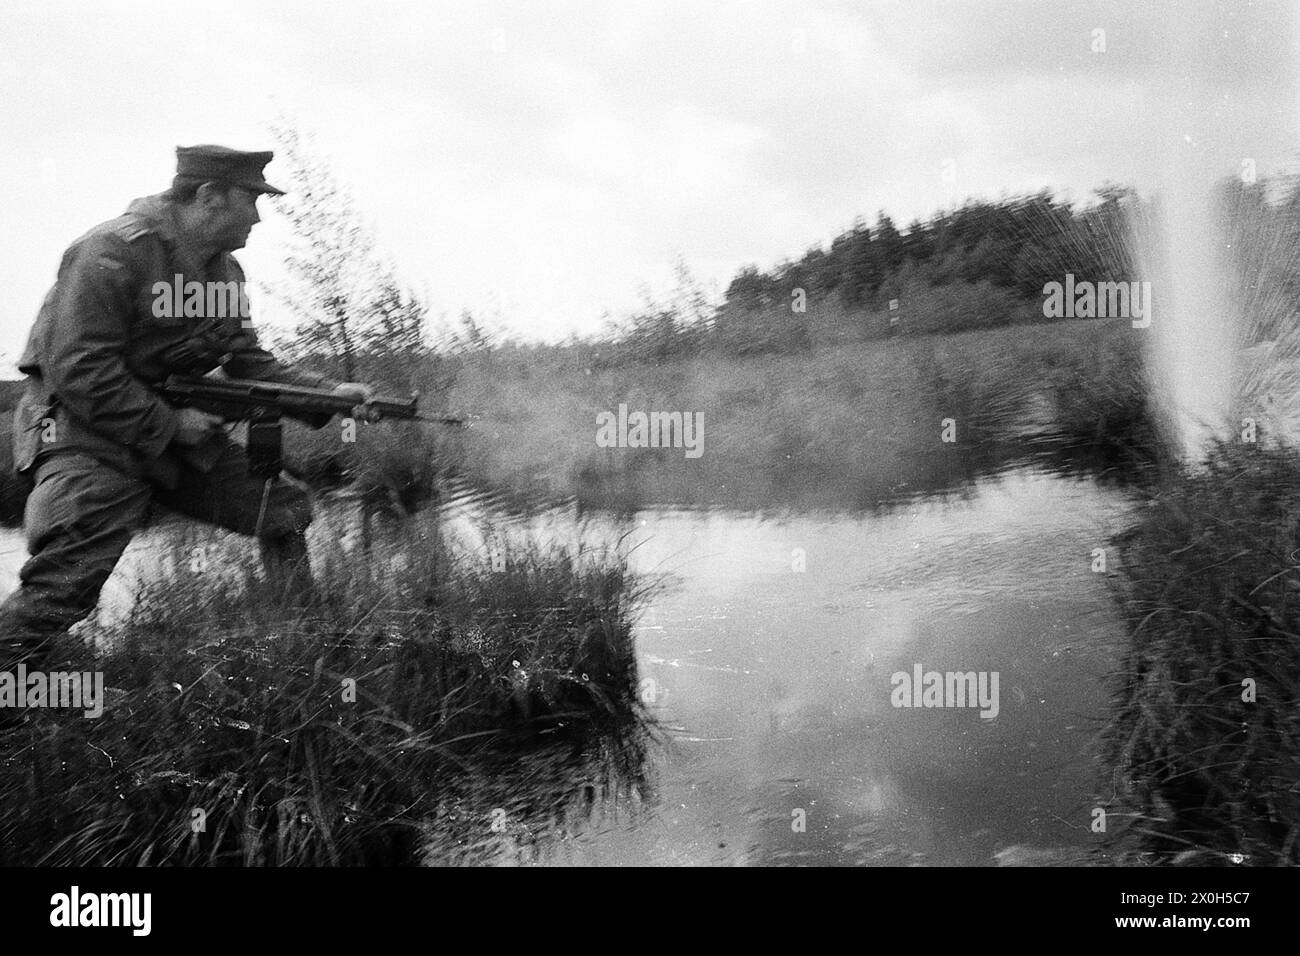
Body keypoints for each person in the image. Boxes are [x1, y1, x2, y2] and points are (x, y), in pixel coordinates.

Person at [0, 144, 374, 672]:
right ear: (208, 196)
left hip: (169, 434)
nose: (259, 216)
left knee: (280, 508)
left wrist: (330, 395)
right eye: (251, 199)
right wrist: (172, 424)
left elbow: (249, 364)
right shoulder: (110, 252)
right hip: (85, 435)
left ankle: (306, 644)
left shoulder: (226, 274)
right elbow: (78, 368)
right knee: (67, 581)